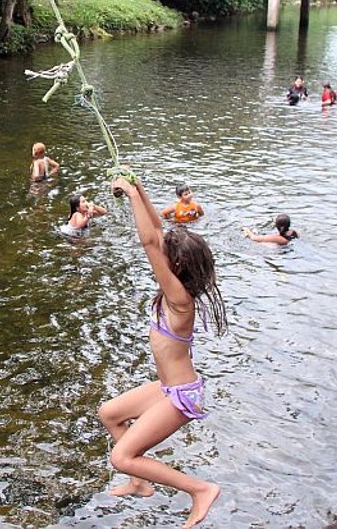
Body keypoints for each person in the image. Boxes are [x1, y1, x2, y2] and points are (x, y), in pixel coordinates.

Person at [102, 173, 227, 528]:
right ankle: (141, 483)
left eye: (166, 256)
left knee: (122, 457)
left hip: (181, 397)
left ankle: (200, 490)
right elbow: (157, 235)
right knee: (110, 414)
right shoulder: (175, 291)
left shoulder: (179, 301)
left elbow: (149, 243)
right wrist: (137, 187)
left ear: (176, 268)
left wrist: (128, 195)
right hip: (167, 388)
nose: (161, 251)